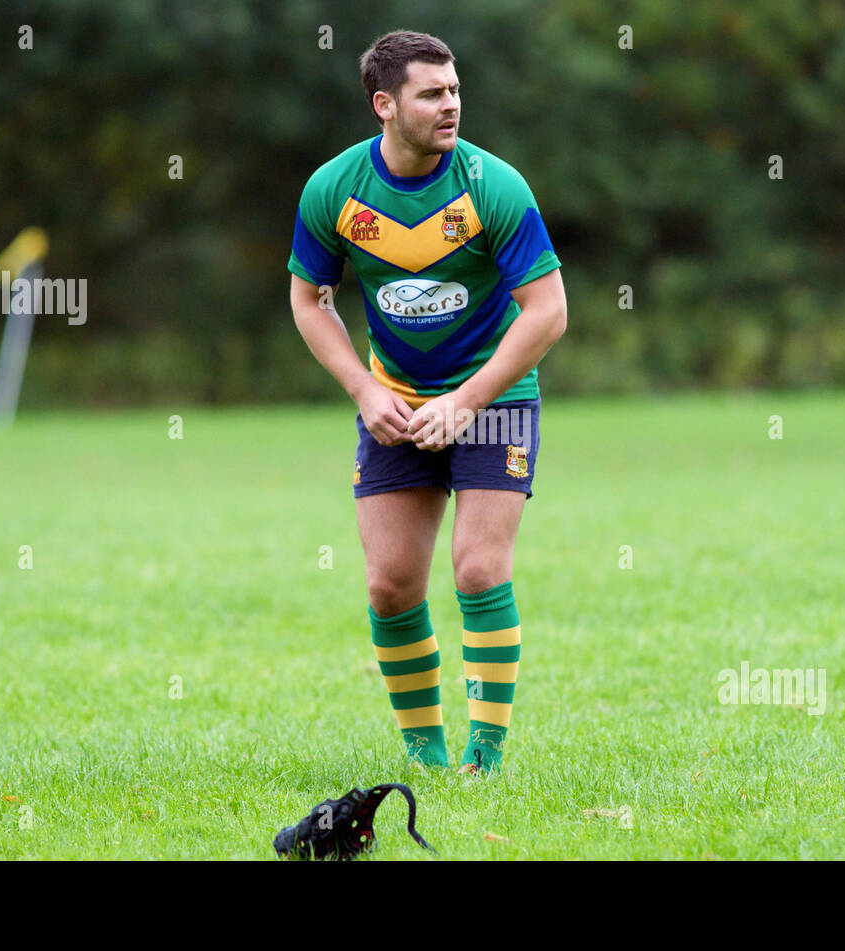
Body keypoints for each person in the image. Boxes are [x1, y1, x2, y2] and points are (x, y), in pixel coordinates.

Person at [287, 30, 566, 775]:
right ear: (385, 104)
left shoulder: (491, 186)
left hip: (494, 394)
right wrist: (363, 387)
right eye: (432, 93)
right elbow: (309, 300)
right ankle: (427, 759)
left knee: (477, 568)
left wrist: (469, 402)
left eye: (455, 90)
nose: (451, 105)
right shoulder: (335, 191)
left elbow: (547, 312)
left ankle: (485, 761)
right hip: (396, 403)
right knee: (389, 583)